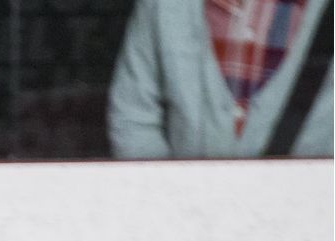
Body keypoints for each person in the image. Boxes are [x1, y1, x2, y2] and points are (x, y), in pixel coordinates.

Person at [107, 0, 333, 158]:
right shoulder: (164, 6)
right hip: (183, 213)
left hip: (312, 215)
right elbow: (133, 115)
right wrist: (167, 200)